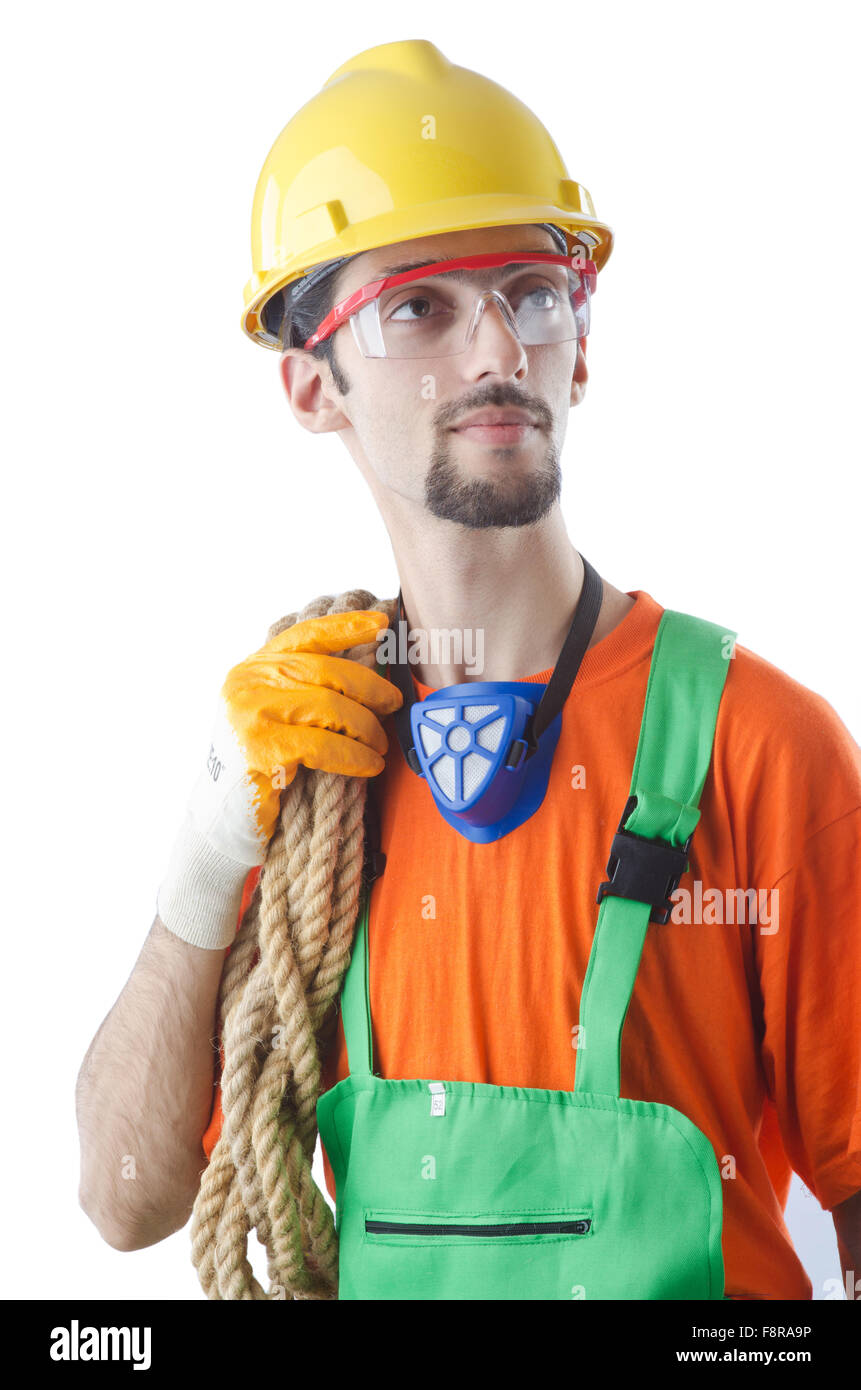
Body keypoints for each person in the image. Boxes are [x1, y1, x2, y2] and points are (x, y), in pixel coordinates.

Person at [75, 39, 861, 1302]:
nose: (497, 347)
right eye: (419, 307)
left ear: (582, 349)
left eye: (533, 293)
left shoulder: (757, 744)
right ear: (308, 384)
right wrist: (206, 856)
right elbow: (125, 1198)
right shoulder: (306, 776)